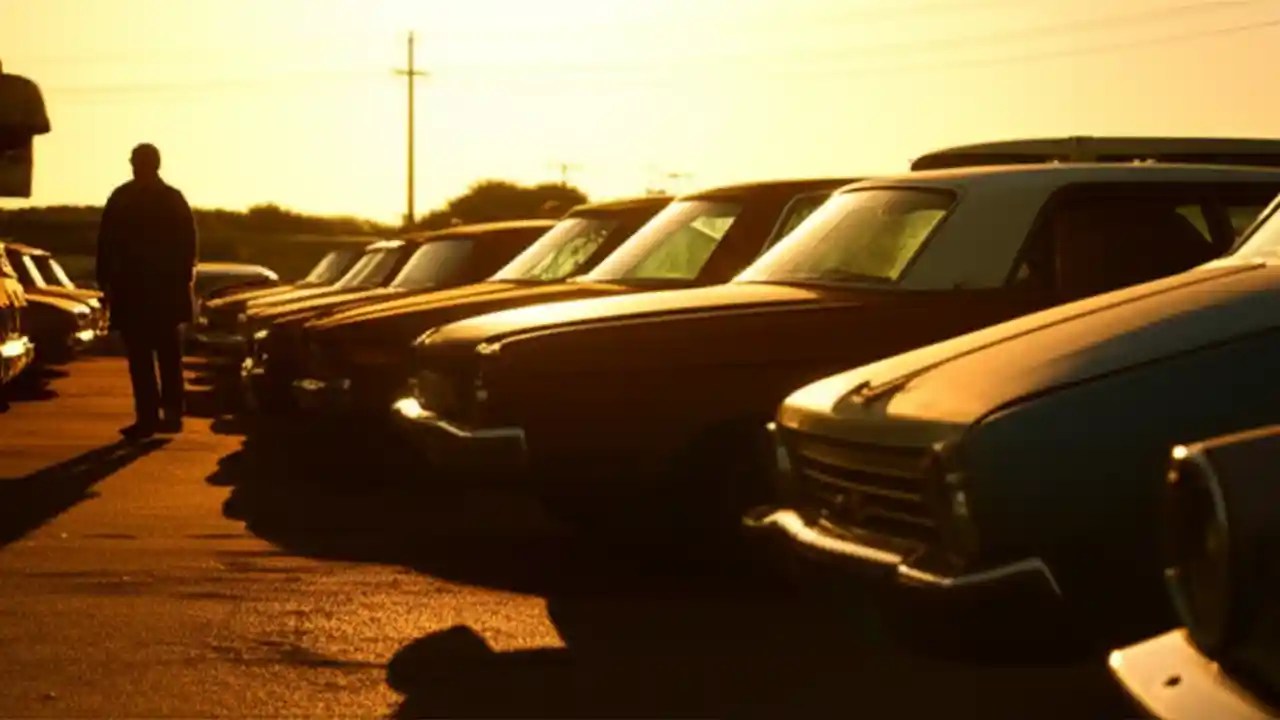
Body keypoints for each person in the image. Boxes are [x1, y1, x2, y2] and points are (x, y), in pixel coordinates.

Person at [96, 143, 197, 440]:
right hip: (144, 291)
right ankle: (157, 416)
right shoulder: (157, 198)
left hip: (149, 292)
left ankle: (160, 415)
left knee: (156, 357)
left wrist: (106, 279)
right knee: (154, 357)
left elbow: (187, 247)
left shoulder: (131, 198)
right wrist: (106, 280)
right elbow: (106, 243)